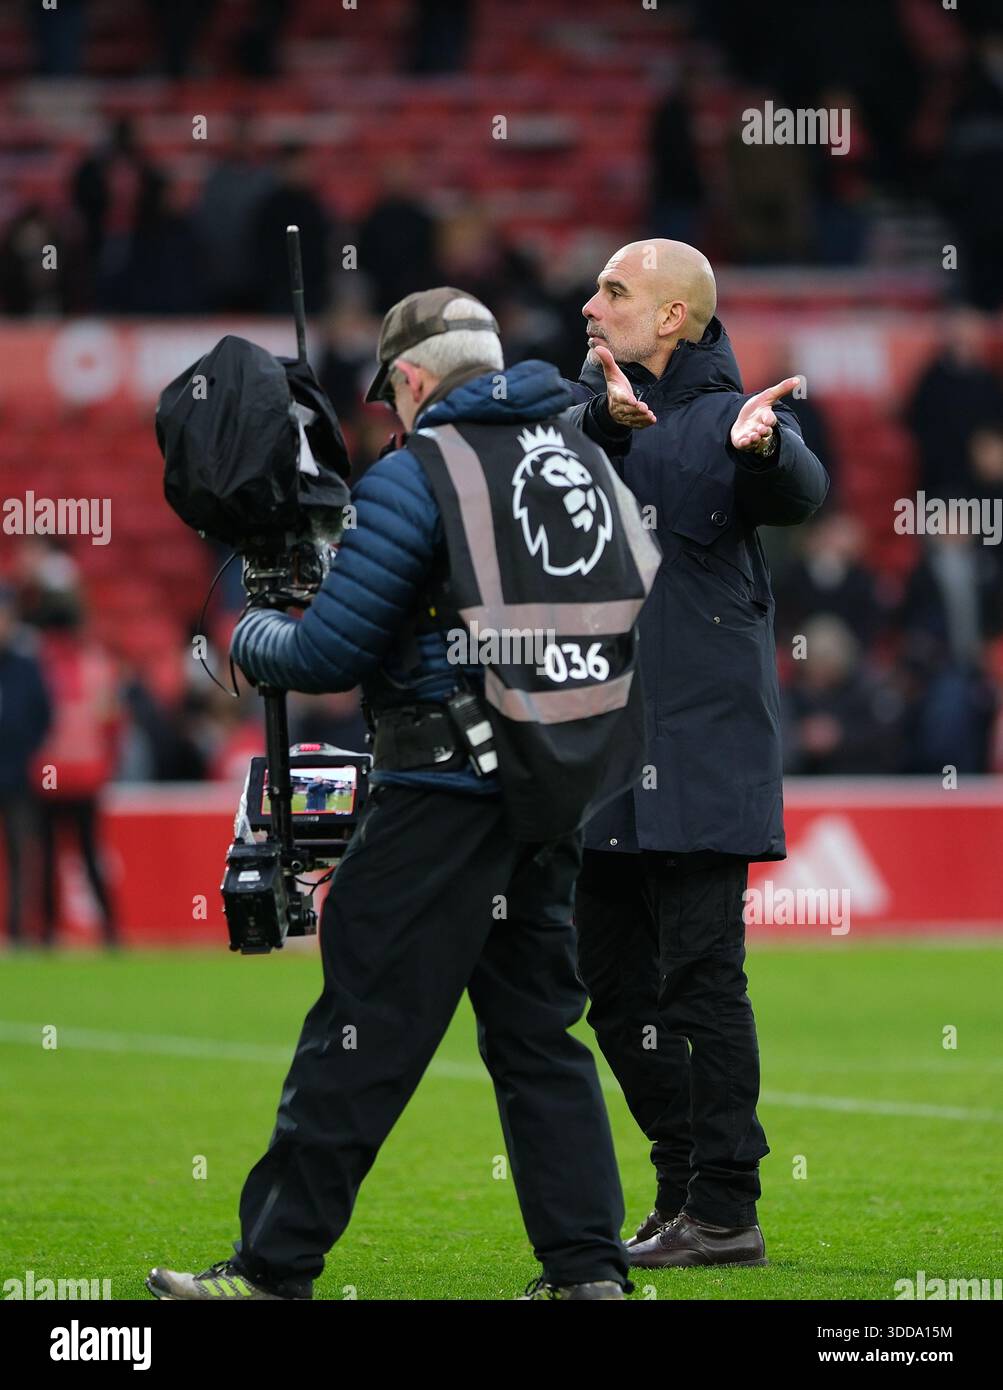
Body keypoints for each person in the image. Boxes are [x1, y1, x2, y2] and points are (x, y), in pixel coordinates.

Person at [147, 287, 658, 1302]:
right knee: (536, 1033)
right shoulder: (574, 456)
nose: (388, 414)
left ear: (411, 380)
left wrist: (252, 636)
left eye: (391, 397)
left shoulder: (417, 473)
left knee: (359, 1028)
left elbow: (330, 652)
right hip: (553, 781)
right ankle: (587, 1269)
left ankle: (271, 1269)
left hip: (441, 785)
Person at [567, 239, 829, 1269]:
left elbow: (798, 487)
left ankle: (724, 1206)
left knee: (702, 981)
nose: (592, 304)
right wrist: (595, 417)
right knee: (613, 986)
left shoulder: (734, 418)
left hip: (702, 744)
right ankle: (685, 1188)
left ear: (670, 317)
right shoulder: (588, 410)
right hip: (605, 748)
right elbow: (525, 454)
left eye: (614, 292)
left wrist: (765, 446)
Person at [0, 584, 51, 945]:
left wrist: (26, 752)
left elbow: (43, 715)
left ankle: (18, 932)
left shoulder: (25, 665)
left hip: (17, 776)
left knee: (22, 855)